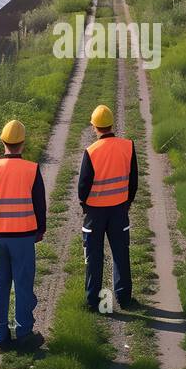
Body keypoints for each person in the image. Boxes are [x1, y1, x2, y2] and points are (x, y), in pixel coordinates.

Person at [0, 120, 46, 352]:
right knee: (23, 285)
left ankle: (1, 337)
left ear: (3, 141)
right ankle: (24, 333)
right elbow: (40, 204)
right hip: (24, 237)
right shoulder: (31, 169)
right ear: (22, 143)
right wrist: (41, 230)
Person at [76, 104, 139, 312]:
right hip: (119, 209)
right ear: (112, 124)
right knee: (121, 253)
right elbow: (134, 181)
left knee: (94, 256)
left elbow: (83, 186)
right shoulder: (128, 146)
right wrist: (126, 202)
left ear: (94, 127)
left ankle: (93, 300)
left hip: (95, 212)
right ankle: (124, 297)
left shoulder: (91, 152)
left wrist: (85, 205)